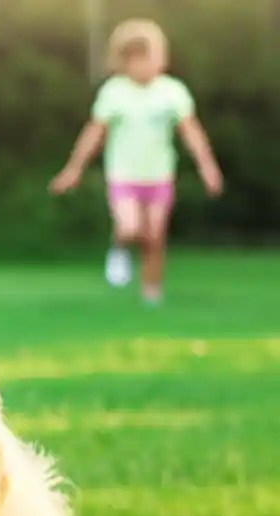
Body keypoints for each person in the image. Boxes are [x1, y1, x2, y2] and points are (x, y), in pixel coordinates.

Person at [50, 18, 222, 307]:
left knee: (154, 236)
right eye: (138, 60)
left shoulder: (172, 92)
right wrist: (73, 169)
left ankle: (151, 292)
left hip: (158, 176)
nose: (145, 66)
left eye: (150, 58)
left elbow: (192, 132)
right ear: (125, 61)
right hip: (124, 175)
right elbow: (94, 133)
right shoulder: (115, 93)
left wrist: (207, 167)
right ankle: (118, 250)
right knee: (129, 227)